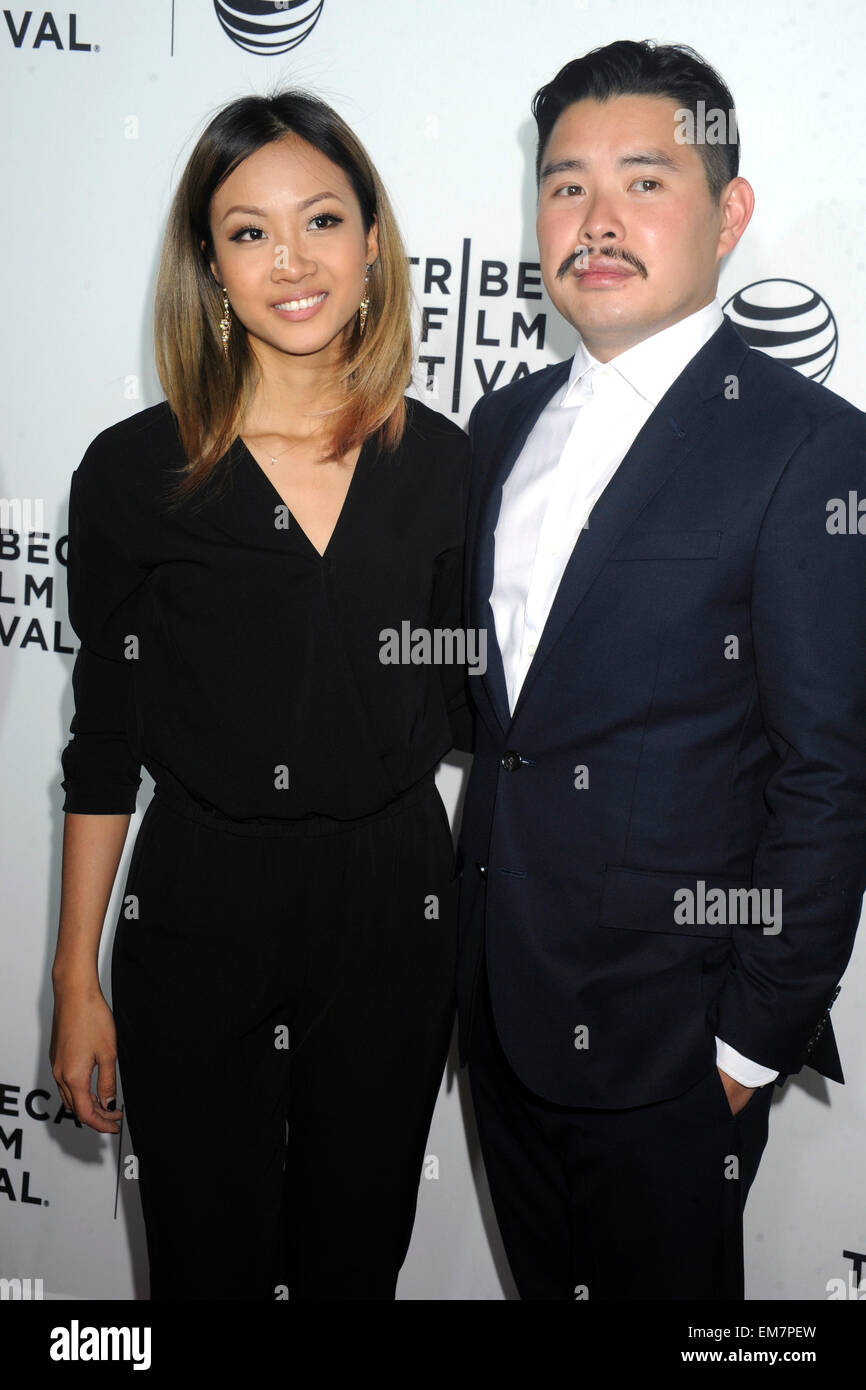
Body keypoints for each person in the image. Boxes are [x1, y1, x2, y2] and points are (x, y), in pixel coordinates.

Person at [455, 39, 866, 1299]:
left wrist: (745, 1045)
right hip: (498, 1007)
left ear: (727, 212)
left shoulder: (806, 448)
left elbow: (828, 772)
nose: (595, 219)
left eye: (643, 180)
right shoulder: (501, 422)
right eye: (565, 185)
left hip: (672, 1046)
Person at [50, 90, 471, 1301]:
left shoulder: (444, 464)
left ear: (372, 244)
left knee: (353, 1267)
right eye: (247, 231)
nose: (291, 261)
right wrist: (75, 978)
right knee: (204, 1268)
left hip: (394, 907)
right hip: (200, 906)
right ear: (207, 264)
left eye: (322, 220)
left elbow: (472, 709)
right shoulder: (136, 472)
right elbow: (103, 743)